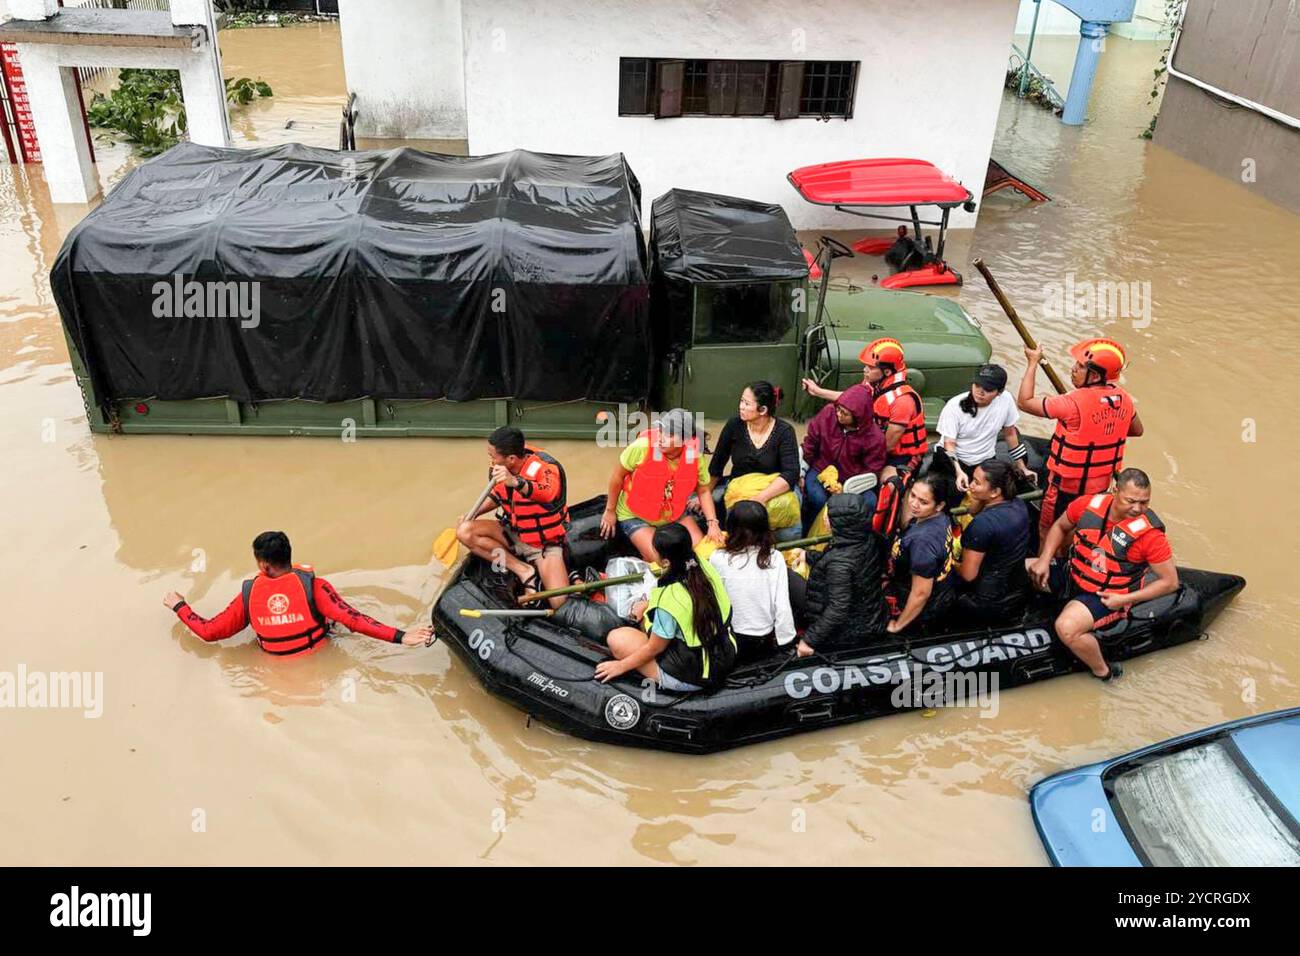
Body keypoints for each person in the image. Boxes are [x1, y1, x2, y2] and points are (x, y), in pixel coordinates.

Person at [163, 531, 432, 655]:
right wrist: (401, 636)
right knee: (335, 622)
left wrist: (180, 606)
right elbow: (355, 619)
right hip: (319, 657)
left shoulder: (248, 595)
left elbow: (210, 632)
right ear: (289, 557)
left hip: (271, 676)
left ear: (262, 564)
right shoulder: (315, 587)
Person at [1027, 468, 1178, 681]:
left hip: (1106, 595)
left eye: (1144, 502)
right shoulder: (1088, 505)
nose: (1138, 508)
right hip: (1073, 573)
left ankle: (1103, 671)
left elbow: (1170, 582)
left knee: (1066, 628)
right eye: (1131, 501)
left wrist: (1125, 599)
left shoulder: (1151, 537)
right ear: (1115, 491)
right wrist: (1044, 559)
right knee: (1026, 566)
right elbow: (1060, 527)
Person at [1017, 337, 1144, 539]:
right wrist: (1104, 429)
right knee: (1078, 530)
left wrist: (1033, 362)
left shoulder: (1071, 403)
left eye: (1080, 366)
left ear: (1094, 375)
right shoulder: (1125, 400)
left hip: (1065, 488)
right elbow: (1137, 430)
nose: (1073, 369)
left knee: (1047, 530)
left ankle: (1045, 565)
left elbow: (1024, 402)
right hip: (1100, 489)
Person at [597, 523, 737, 692]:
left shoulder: (669, 599)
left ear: (665, 561)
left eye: (655, 550)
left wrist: (620, 666)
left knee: (617, 639)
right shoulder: (704, 566)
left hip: (694, 674)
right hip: (725, 653)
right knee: (649, 620)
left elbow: (655, 648)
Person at [457, 426, 570, 607]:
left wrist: (516, 482)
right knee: (464, 531)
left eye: (493, 456)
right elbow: (499, 495)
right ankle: (524, 571)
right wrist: (473, 514)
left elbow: (548, 493)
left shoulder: (545, 468)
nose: (491, 461)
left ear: (511, 459)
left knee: (559, 602)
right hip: (513, 532)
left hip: (543, 544)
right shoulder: (500, 467)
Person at [601, 408, 722, 563]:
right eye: (661, 431)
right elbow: (617, 477)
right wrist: (610, 511)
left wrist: (712, 523)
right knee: (663, 562)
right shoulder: (642, 447)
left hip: (675, 514)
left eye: (669, 435)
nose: (661, 438)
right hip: (636, 515)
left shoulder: (694, 456)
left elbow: (704, 490)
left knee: (704, 554)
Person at [804, 337, 927, 484]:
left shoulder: (902, 402)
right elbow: (850, 401)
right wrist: (818, 391)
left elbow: (888, 445)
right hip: (873, 445)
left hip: (898, 455)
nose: (865, 370)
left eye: (871, 367)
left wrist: (853, 458)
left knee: (888, 481)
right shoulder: (874, 384)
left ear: (887, 372)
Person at [707, 381, 802, 541]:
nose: (741, 407)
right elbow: (717, 465)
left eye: (747, 403)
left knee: (788, 532)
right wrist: (705, 493)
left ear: (763, 410)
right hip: (740, 487)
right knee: (735, 522)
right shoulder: (734, 425)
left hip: (775, 490)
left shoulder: (784, 432)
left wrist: (759, 499)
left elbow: (791, 473)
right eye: (741, 401)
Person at [796, 494, 886, 656]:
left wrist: (809, 640)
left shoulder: (839, 565)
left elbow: (837, 609)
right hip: (871, 615)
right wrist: (808, 556)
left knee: (790, 579)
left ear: (842, 524)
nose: (824, 519)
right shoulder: (868, 538)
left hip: (848, 633)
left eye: (828, 515)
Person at [708, 501, 797, 661]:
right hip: (763, 637)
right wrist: (786, 642)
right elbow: (782, 605)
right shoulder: (774, 557)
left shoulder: (717, 558)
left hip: (731, 638)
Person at [937, 364, 1036, 492]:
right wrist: (958, 471)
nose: (980, 392)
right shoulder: (954, 407)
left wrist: (1022, 467)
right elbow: (949, 443)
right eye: (977, 385)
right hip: (954, 459)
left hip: (985, 459)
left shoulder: (1006, 400)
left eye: (988, 389)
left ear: (999, 392)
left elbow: (1010, 434)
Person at [955, 459, 1031, 624]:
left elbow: (968, 575)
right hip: (1016, 588)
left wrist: (950, 562)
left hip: (986, 601)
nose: (971, 486)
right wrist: (978, 493)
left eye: (977, 482)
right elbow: (975, 510)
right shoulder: (1018, 504)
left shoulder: (982, 525)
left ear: (995, 492)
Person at [800, 381, 885, 528]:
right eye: (838, 409)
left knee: (869, 501)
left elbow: (872, 470)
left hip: (852, 480)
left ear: (858, 417)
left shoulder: (875, 437)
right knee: (816, 498)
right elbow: (811, 443)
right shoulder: (828, 414)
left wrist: (847, 489)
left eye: (845, 413)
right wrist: (801, 472)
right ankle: (808, 533)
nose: (839, 414)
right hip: (821, 468)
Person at [885, 474, 957, 634]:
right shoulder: (940, 518)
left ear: (939, 505)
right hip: (940, 593)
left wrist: (898, 625)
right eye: (913, 495)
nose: (914, 504)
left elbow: (921, 594)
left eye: (923, 502)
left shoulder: (923, 542)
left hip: (924, 610)